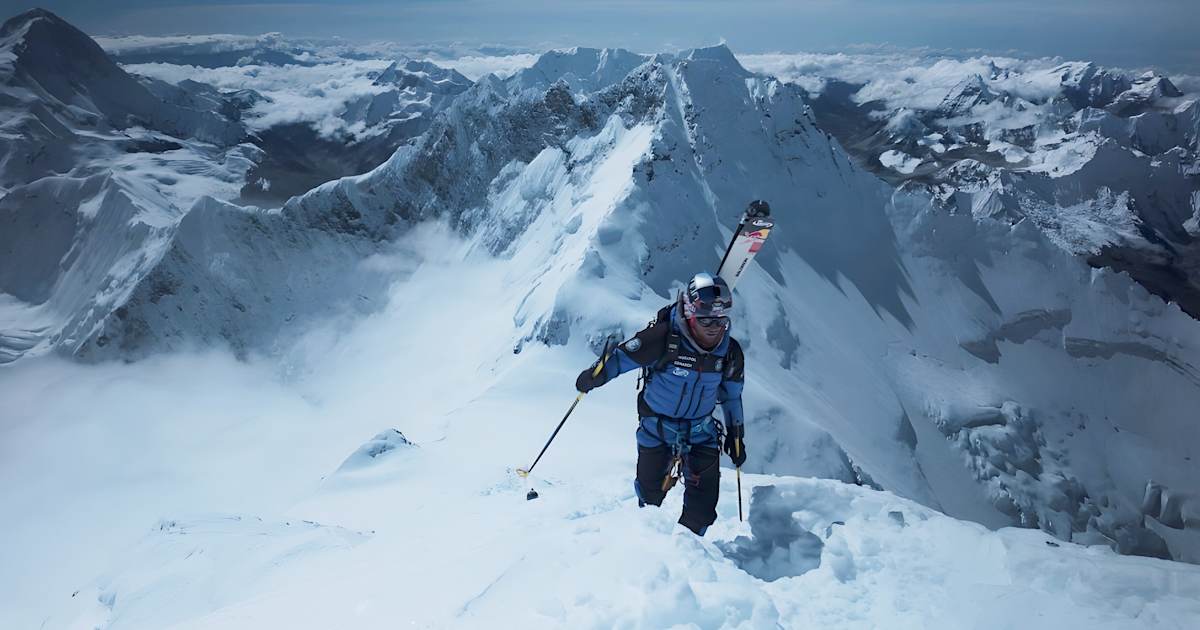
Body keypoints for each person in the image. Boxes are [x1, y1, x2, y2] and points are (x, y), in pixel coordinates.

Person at [575, 272, 746, 536]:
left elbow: (732, 395)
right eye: (706, 319)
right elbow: (621, 358)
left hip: (701, 432)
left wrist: (736, 435)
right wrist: (595, 376)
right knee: (649, 494)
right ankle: (649, 546)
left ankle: (689, 551)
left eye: (721, 319)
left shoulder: (730, 352)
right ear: (689, 313)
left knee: (702, 510)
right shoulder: (663, 338)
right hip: (656, 428)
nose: (715, 326)